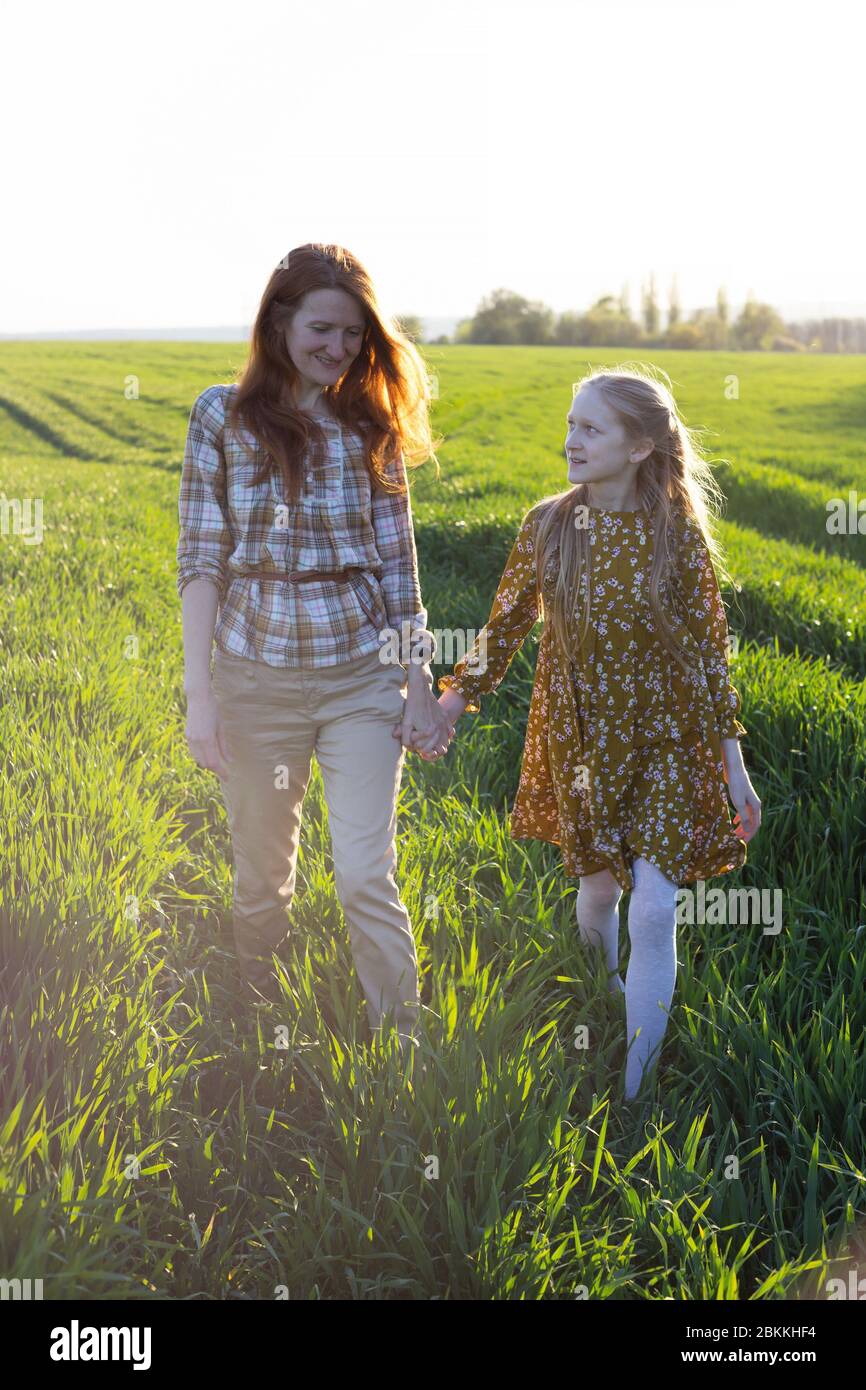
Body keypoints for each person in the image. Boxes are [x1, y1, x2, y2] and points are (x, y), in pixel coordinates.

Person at [431, 364, 762, 1103]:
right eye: (570, 424)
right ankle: (599, 984)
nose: (570, 441)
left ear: (640, 445)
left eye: (590, 428)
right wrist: (449, 705)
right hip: (582, 743)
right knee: (599, 893)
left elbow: (711, 655)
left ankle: (636, 1087)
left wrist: (732, 767)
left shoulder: (676, 535)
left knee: (653, 905)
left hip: (670, 739)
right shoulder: (549, 524)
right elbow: (505, 627)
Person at [176, 242, 453, 1048]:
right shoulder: (217, 416)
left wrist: (419, 683)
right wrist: (202, 695)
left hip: (359, 680)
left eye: (355, 337)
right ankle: (257, 1021)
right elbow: (199, 561)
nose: (339, 350)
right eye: (324, 330)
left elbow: (400, 570)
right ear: (279, 320)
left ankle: (403, 1039)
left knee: (367, 872)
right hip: (254, 681)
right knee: (261, 880)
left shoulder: (371, 428)